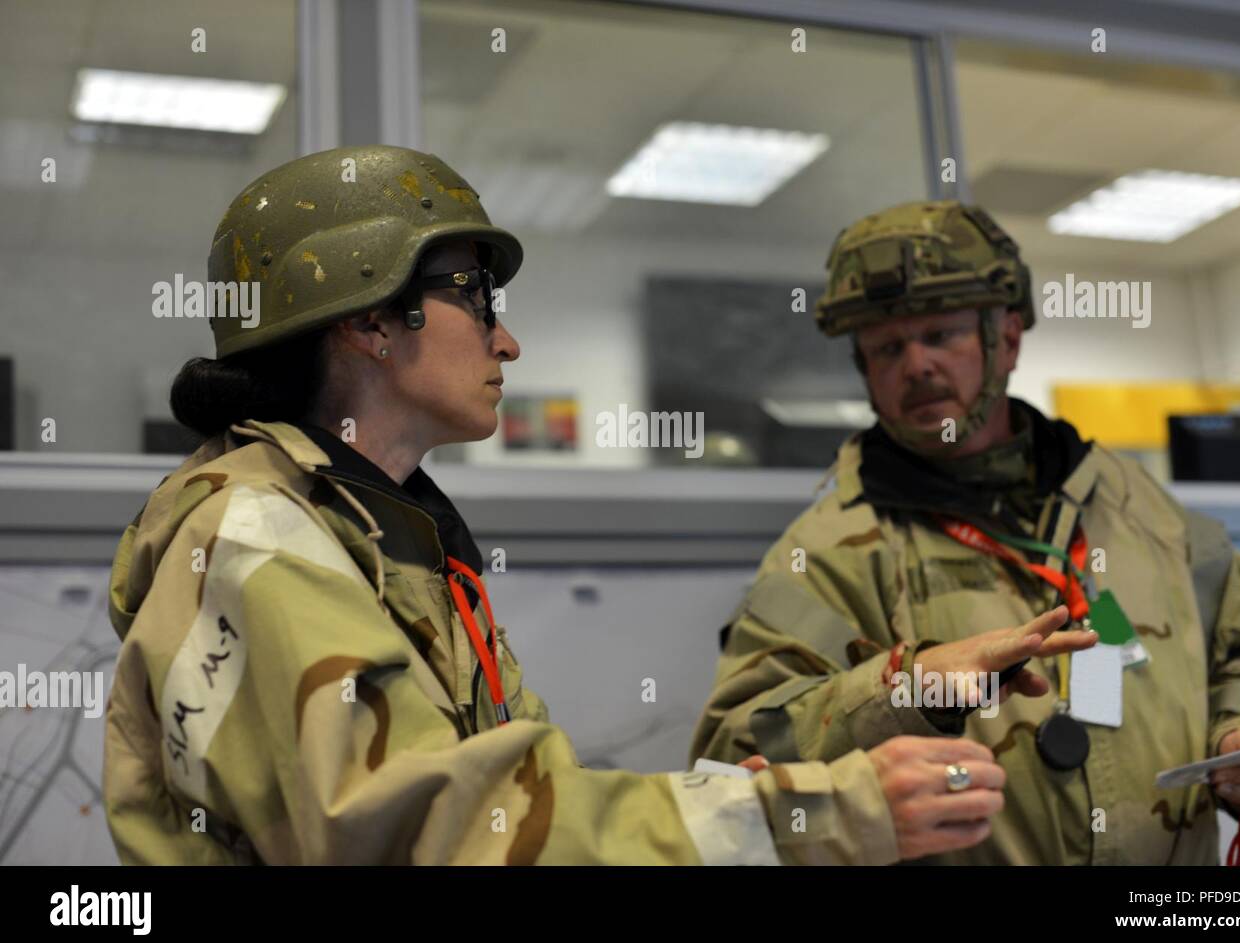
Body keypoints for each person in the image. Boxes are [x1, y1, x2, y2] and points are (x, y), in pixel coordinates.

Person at [104, 147, 1012, 865]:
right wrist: (813, 816)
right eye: (474, 296)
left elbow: (534, 798)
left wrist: (745, 813)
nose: (507, 339)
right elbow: (414, 831)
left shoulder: (387, 536)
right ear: (369, 319)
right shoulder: (256, 535)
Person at [691, 200, 1240, 865]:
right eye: (888, 347)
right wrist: (907, 688)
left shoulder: (1138, 504)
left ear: (1006, 338)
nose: (917, 364)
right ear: (865, 370)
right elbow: (733, 764)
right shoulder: (828, 551)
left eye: (942, 334)